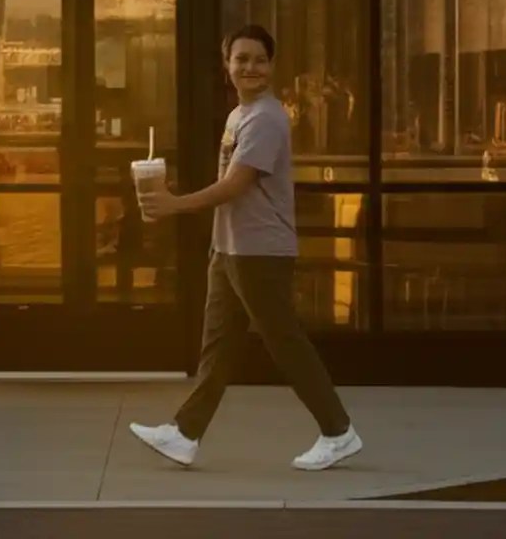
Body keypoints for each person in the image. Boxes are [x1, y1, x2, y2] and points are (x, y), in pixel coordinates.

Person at [129, 24, 361, 472]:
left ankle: (338, 432)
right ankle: (185, 434)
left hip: (260, 251)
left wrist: (174, 204)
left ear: (271, 66)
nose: (250, 67)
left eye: (259, 60)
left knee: (285, 342)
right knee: (217, 347)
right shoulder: (240, 114)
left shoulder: (266, 119)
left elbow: (236, 184)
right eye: (241, 59)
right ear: (227, 64)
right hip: (231, 249)